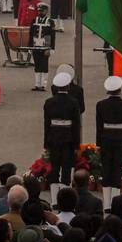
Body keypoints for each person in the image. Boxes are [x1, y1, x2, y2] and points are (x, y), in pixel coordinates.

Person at [43, 71, 81, 201]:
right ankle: (65, 198)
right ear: (68, 86)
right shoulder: (74, 102)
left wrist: (45, 144)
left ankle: (54, 200)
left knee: (54, 167)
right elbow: (76, 126)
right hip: (68, 138)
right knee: (66, 167)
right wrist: (77, 144)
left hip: (53, 138)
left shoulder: (49, 102)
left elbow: (46, 124)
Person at [95, 75, 122, 208]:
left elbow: (99, 126)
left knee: (106, 170)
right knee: (117, 170)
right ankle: (115, 202)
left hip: (105, 139)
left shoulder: (100, 105)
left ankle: (106, 204)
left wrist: (98, 144)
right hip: (121, 140)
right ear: (120, 89)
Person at [28, 2, 55, 91]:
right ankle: (37, 84)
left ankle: (43, 85)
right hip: (36, 46)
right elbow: (31, 34)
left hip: (45, 47)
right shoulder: (34, 20)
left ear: (46, 11)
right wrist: (29, 47)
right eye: (39, 11)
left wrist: (51, 48)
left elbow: (52, 36)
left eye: (42, 11)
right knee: (37, 65)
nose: (40, 12)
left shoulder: (50, 21)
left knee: (44, 66)